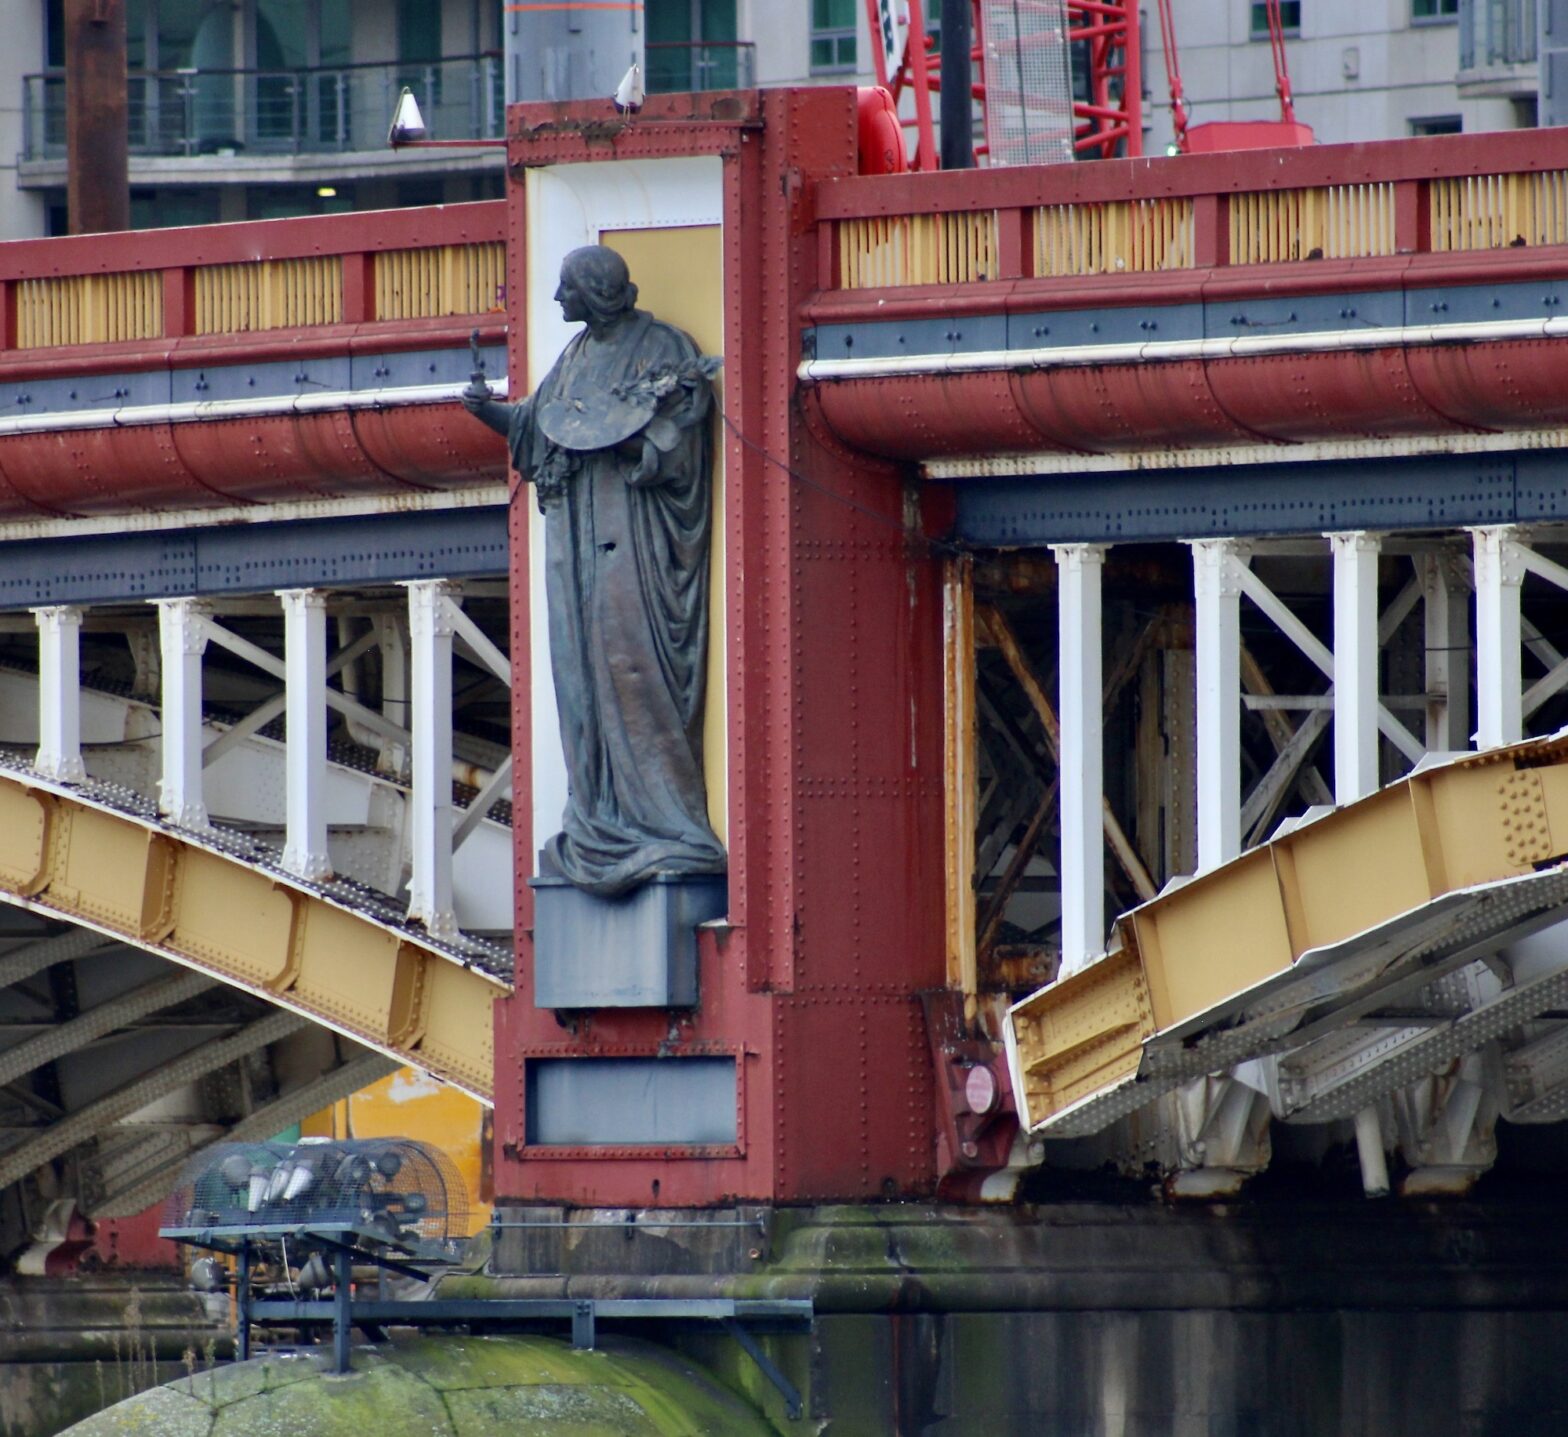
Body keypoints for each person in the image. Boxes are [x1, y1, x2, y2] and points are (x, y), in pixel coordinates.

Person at [463, 245, 725, 897]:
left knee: (632, 669)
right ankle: (600, 816)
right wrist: (485, 411)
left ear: (593, 289)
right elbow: (539, 425)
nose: (556, 301)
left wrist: (632, 432)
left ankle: (663, 823)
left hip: (631, 543)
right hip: (575, 544)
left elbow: (679, 439)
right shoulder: (574, 357)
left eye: (566, 289)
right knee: (579, 674)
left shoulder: (662, 348)